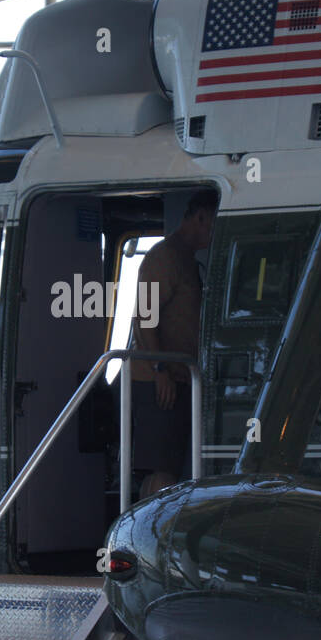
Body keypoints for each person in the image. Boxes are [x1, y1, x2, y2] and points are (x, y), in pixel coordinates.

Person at [130, 190, 216, 498]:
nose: (213, 232)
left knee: (173, 467)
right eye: (213, 223)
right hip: (158, 380)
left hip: (179, 377)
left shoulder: (187, 261)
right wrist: (160, 368)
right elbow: (145, 315)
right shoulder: (163, 257)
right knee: (162, 469)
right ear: (200, 217)